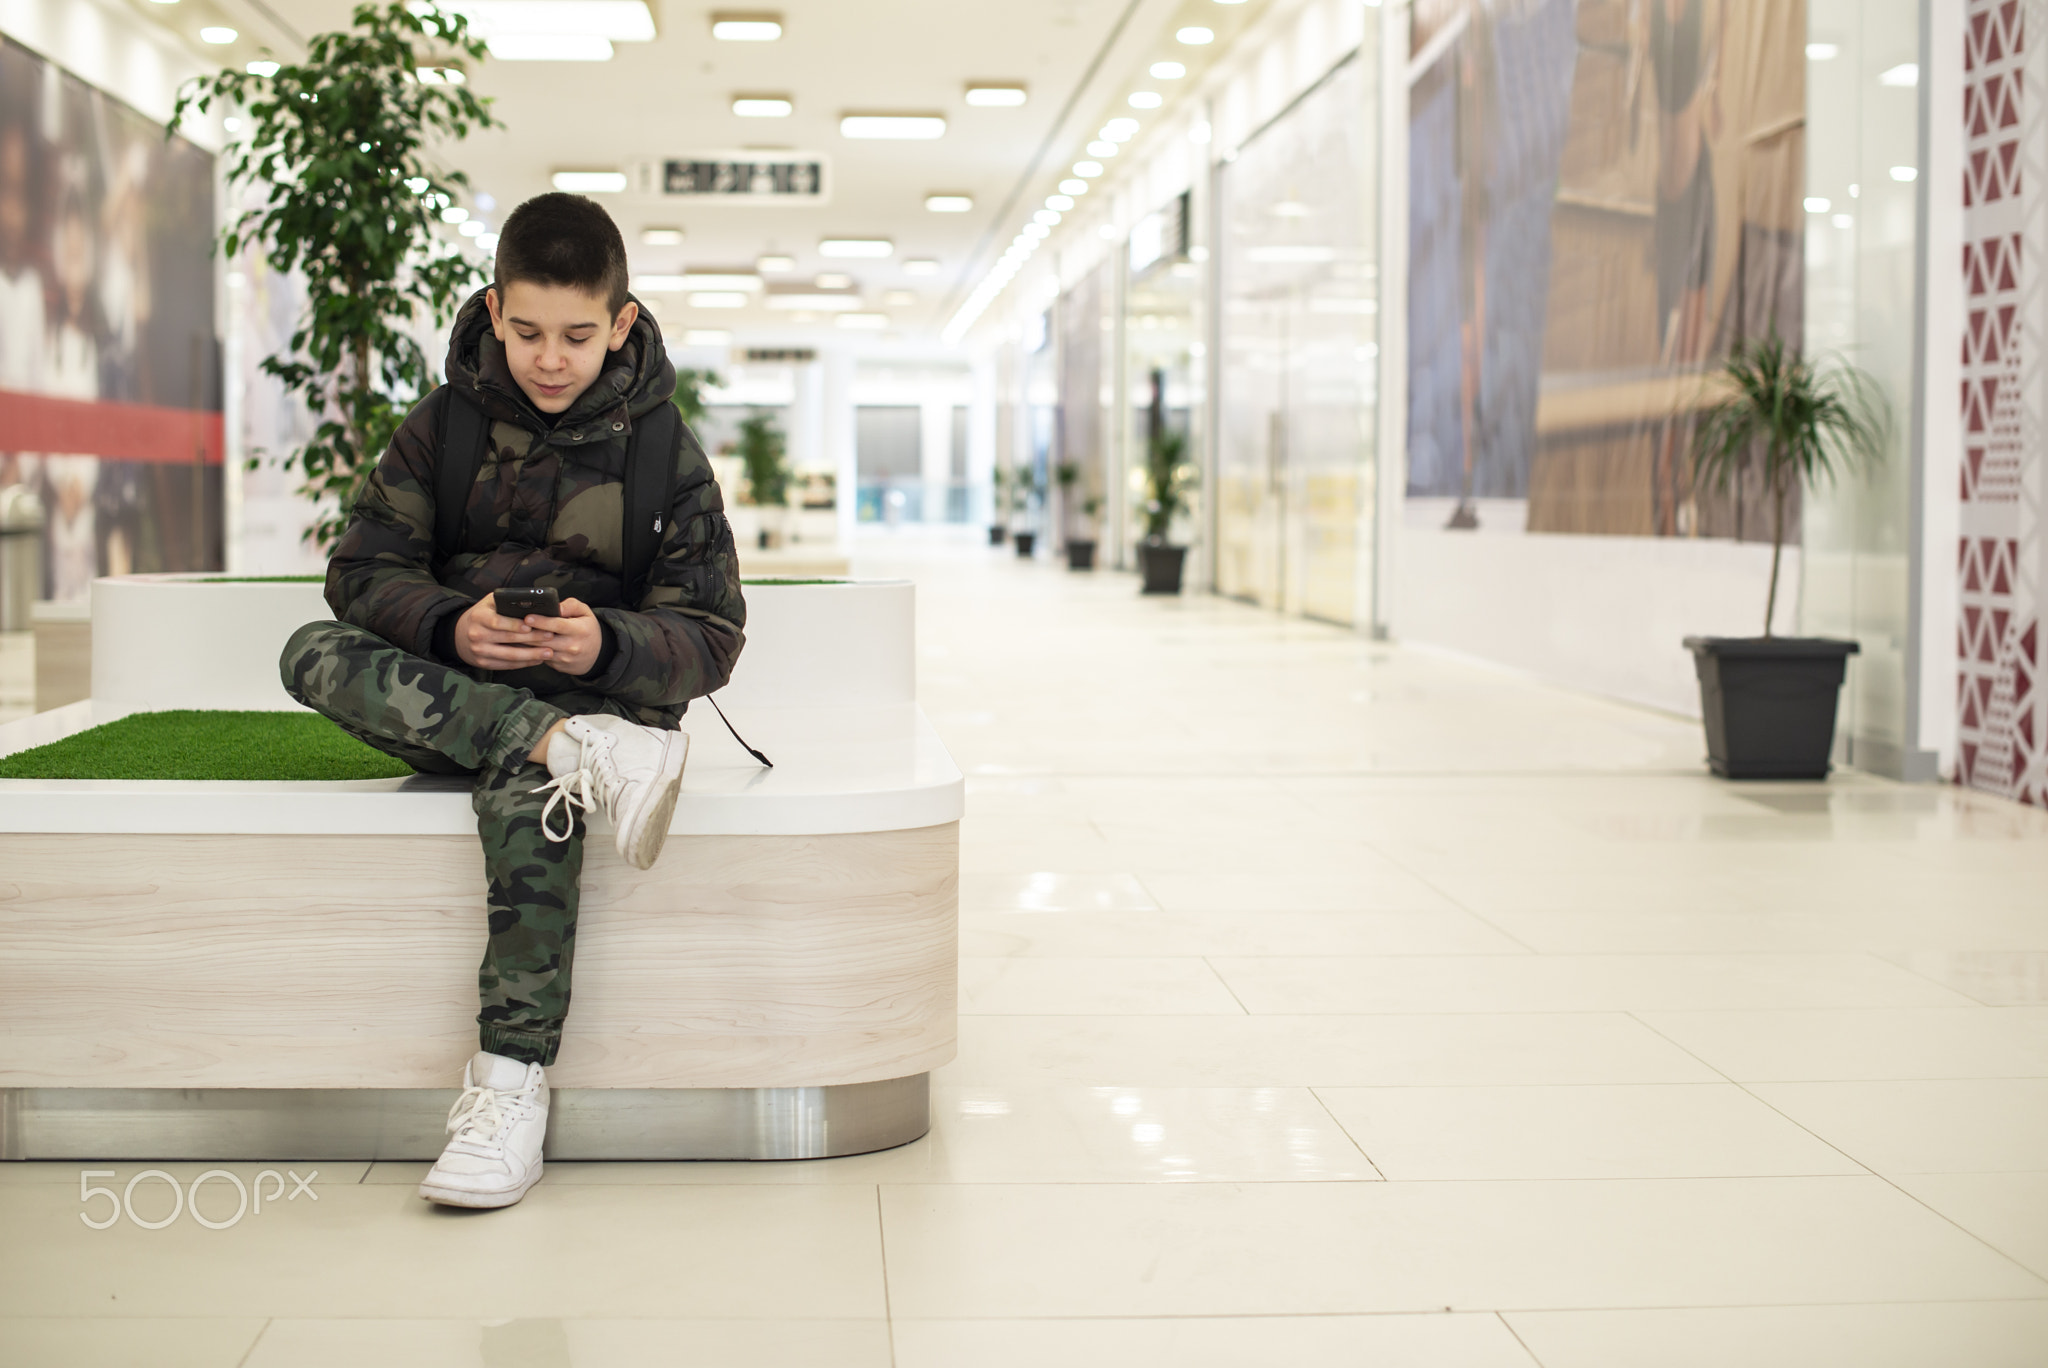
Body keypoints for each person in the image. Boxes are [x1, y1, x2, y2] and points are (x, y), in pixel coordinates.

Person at [278, 193, 745, 1209]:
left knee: (532, 795)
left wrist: (601, 640)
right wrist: (453, 625)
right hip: (469, 695)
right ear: (493, 310)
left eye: (578, 336)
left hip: (606, 705)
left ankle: (508, 1087)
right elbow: (358, 576)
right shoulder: (441, 428)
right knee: (309, 653)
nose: (549, 357)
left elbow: (711, 635)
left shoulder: (665, 452)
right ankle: (560, 747)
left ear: (620, 323)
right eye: (527, 331)